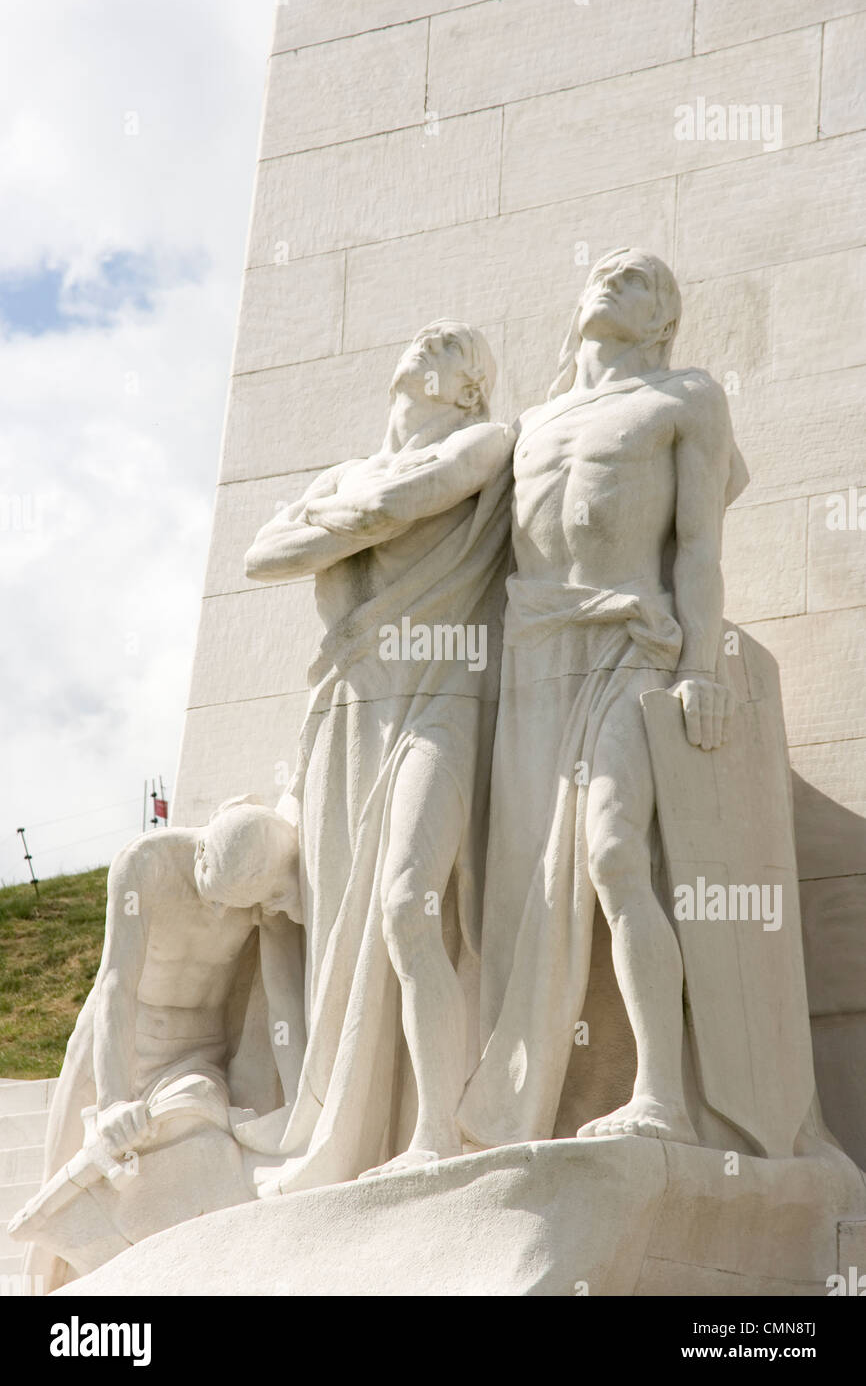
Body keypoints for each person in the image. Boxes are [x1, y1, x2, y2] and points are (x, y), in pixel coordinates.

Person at [458, 249, 749, 1151]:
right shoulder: (531, 422)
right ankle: (511, 1107)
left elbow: (697, 546)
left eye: (640, 279)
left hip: (631, 642)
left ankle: (660, 1093)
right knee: (515, 889)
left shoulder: (685, 397)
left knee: (616, 855)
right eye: (607, 272)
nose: (613, 280)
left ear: (663, 319)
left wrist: (701, 664)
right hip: (532, 658)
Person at [240, 320, 514, 1189]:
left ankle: (438, 1131)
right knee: (336, 932)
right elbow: (260, 557)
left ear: (469, 387)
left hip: (442, 696)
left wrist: (329, 523)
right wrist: (346, 515)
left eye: (447, 347)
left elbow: (401, 505)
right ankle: (342, 1129)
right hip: (346, 712)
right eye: (422, 340)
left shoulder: (484, 438)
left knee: (406, 902)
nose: (423, 347)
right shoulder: (346, 475)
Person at [20, 798, 302, 1289]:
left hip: (193, 1056)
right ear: (202, 858)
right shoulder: (144, 864)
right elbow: (115, 985)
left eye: (228, 903)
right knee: (59, 1195)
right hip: (113, 1042)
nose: (216, 910)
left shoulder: (261, 888)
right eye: (211, 895)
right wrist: (110, 1105)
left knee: (202, 1150)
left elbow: (280, 1001)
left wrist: (302, 1104)